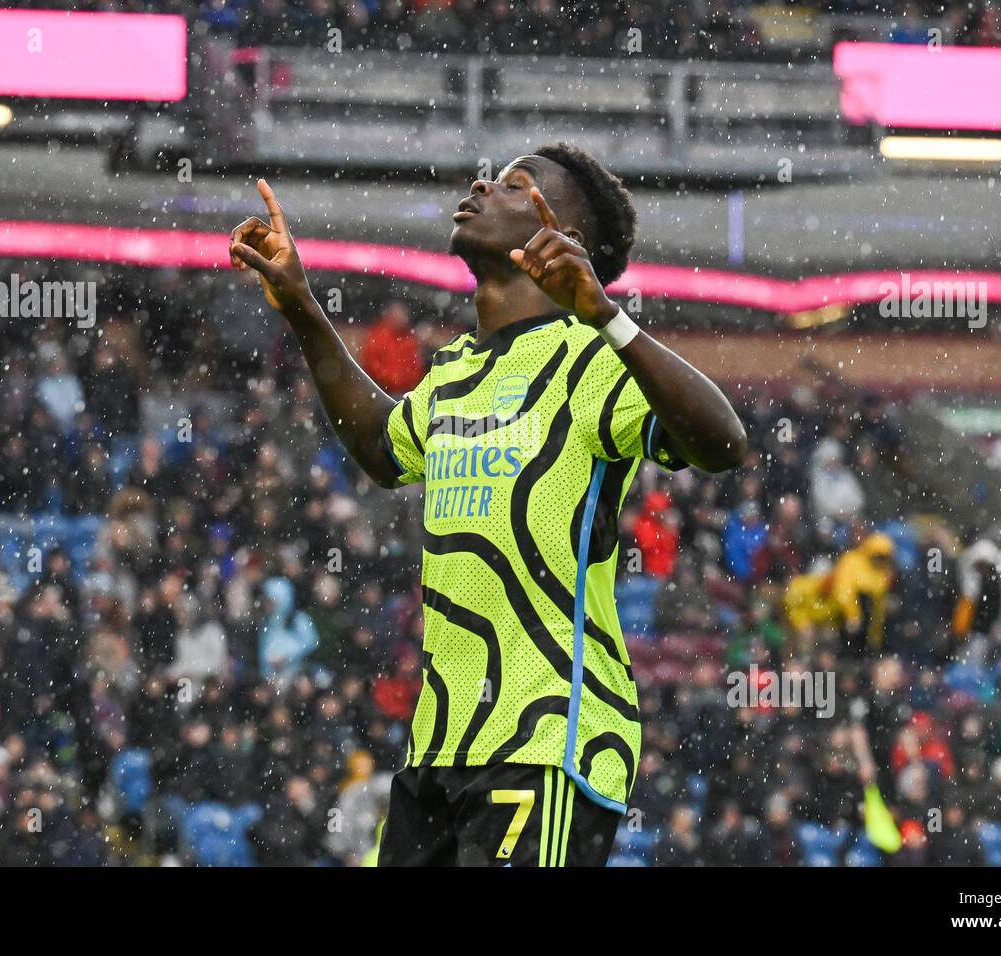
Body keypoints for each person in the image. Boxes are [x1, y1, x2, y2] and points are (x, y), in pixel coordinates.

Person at [229, 142, 745, 866]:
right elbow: (382, 448)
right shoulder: (455, 371)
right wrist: (303, 305)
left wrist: (608, 316)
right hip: (438, 750)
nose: (482, 184)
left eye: (514, 185)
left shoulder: (591, 359)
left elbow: (724, 444)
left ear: (557, 233)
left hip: (544, 740)